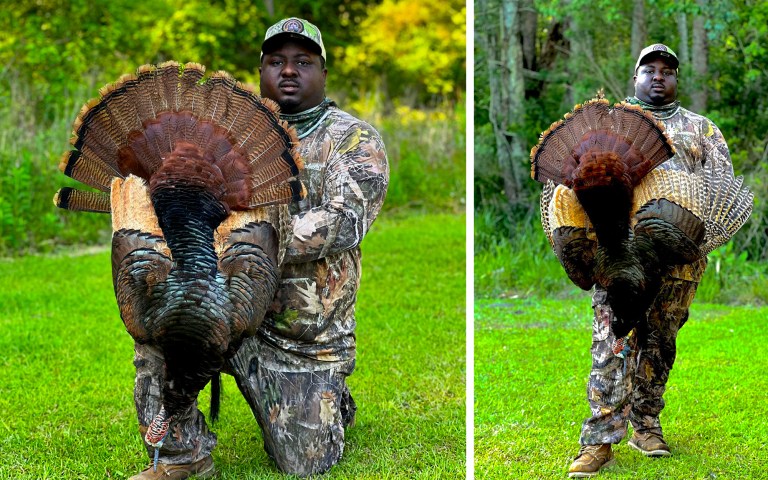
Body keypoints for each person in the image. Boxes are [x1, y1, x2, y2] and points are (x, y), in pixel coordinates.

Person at [130, 17, 389, 479]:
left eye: (302, 62)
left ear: (324, 74)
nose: (288, 71)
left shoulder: (353, 139)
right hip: (221, 312)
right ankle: (179, 452)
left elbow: (345, 221)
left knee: (302, 463)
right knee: (160, 328)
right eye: (276, 61)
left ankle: (331, 399)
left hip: (302, 341)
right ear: (261, 70)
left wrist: (246, 240)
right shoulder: (222, 137)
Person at [567, 43, 737, 478]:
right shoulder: (610, 121)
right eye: (649, 69)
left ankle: (646, 424)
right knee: (612, 341)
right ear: (635, 76)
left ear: (677, 79)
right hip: (617, 253)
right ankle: (600, 439)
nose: (658, 77)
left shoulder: (702, 130)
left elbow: (720, 189)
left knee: (660, 342)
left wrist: (697, 242)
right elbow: (576, 181)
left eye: (667, 70)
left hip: (679, 261)